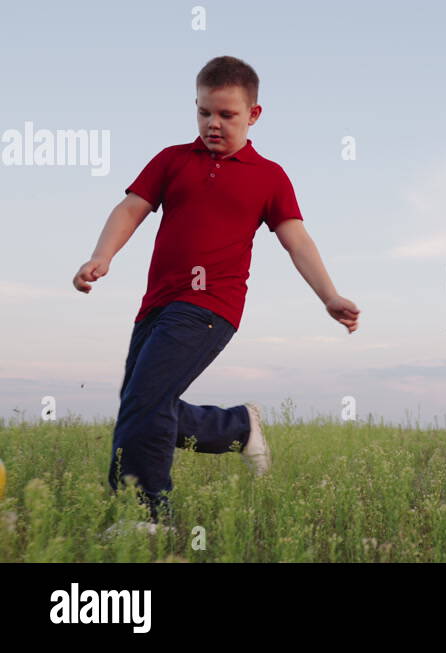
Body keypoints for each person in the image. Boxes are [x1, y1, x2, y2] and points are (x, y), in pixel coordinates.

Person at [72, 55, 361, 525]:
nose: (213, 123)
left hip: (210, 307)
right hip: (156, 307)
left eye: (227, 114)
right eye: (205, 112)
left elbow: (297, 239)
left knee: (145, 402)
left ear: (254, 114)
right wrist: (102, 256)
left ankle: (145, 517)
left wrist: (329, 296)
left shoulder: (268, 176)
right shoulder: (172, 160)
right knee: (142, 405)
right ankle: (237, 427)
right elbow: (130, 209)